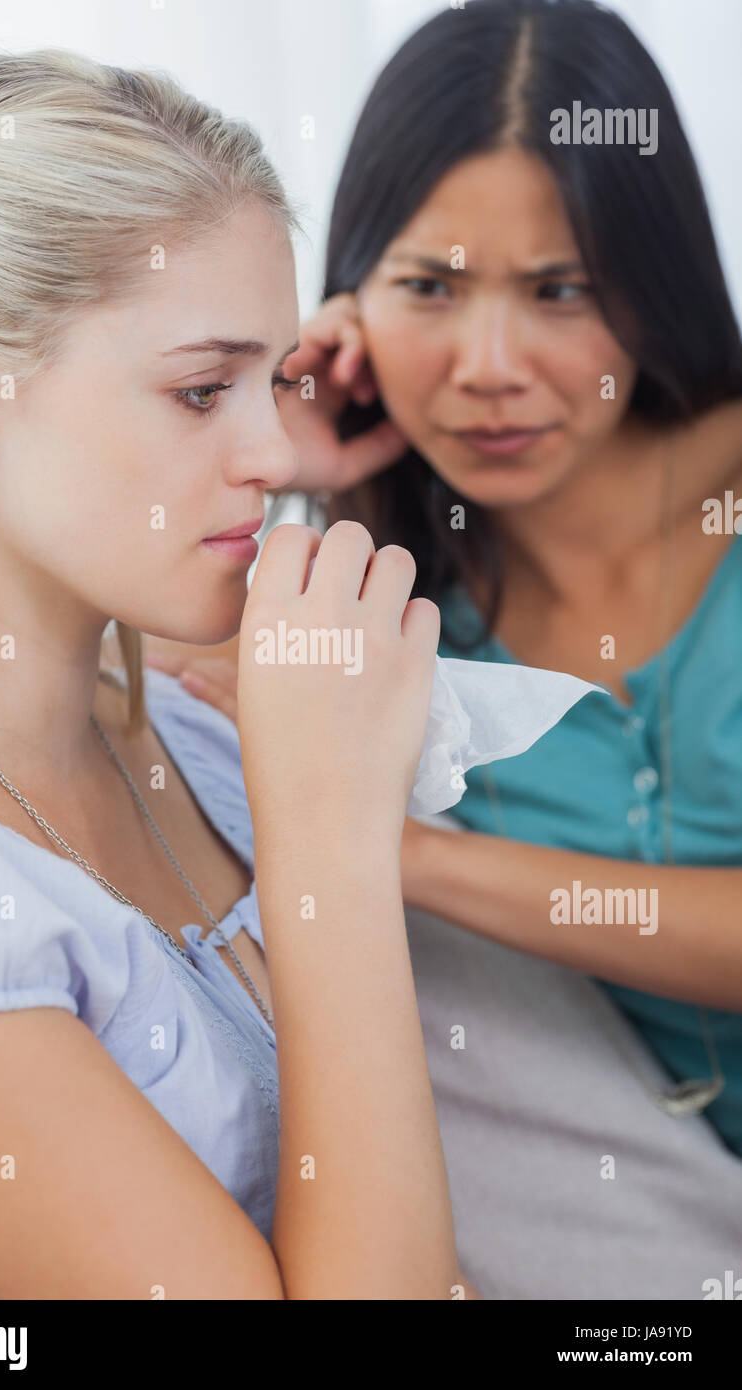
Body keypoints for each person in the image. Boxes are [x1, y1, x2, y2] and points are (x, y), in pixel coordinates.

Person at [146, 0, 742, 1297]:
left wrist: (395, 850)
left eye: (558, 288)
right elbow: (103, 703)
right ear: (353, 288)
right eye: (428, 286)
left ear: (652, 271)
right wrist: (271, 450)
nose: (486, 366)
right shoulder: (378, 576)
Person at [0, 49, 477, 1300]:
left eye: (280, 380)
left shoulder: (198, 722)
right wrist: (326, 845)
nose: (271, 452)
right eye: (203, 388)